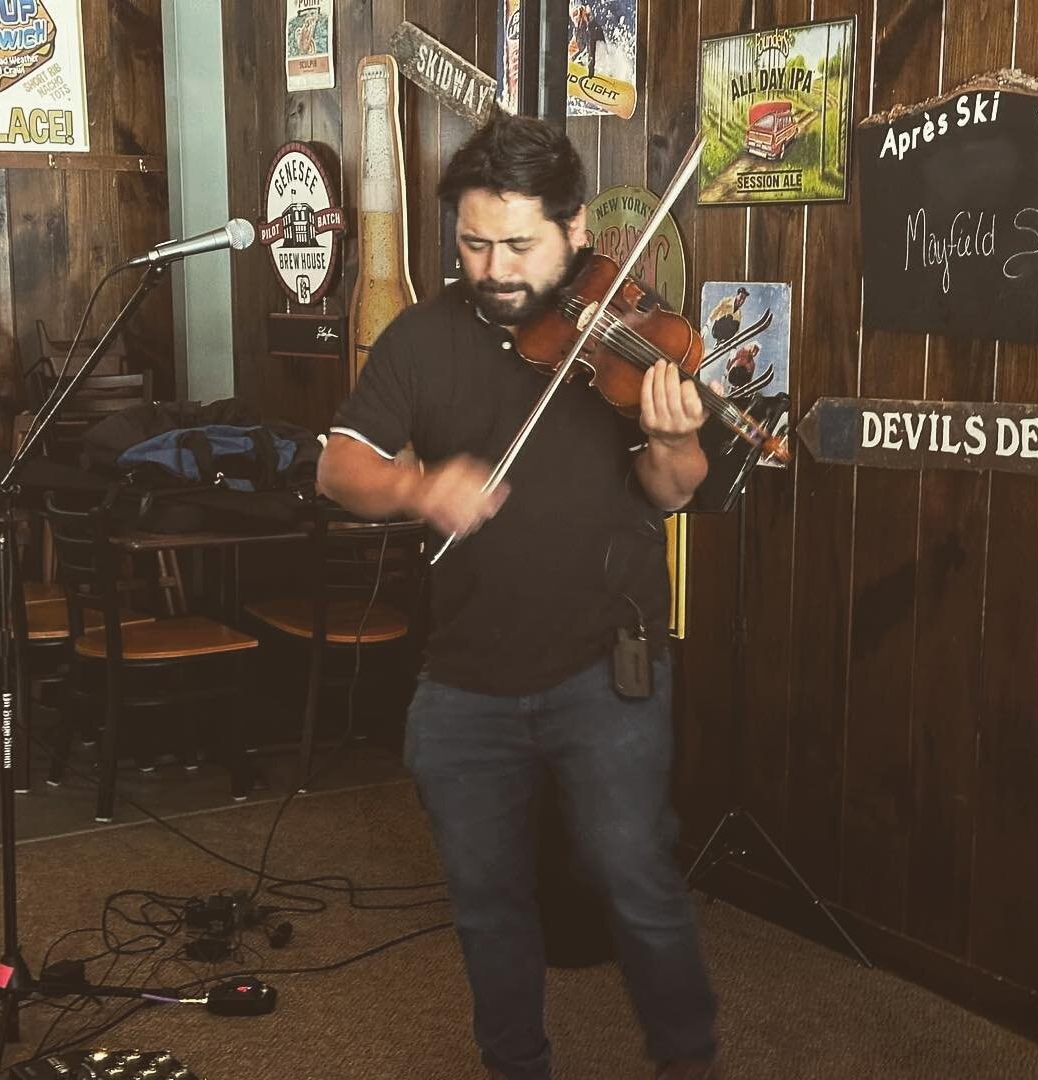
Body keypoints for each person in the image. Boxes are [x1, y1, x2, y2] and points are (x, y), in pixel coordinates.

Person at [316, 114, 720, 1080]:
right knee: (486, 896)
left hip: (604, 666)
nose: (493, 268)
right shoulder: (420, 338)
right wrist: (417, 488)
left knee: (636, 881)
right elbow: (338, 468)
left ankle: (689, 1061)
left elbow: (673, 489)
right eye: (472, 242)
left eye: (519, 245)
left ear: (576, 232)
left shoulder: (629, 332)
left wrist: (672, 440)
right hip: (464, 676)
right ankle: (515, 1064)